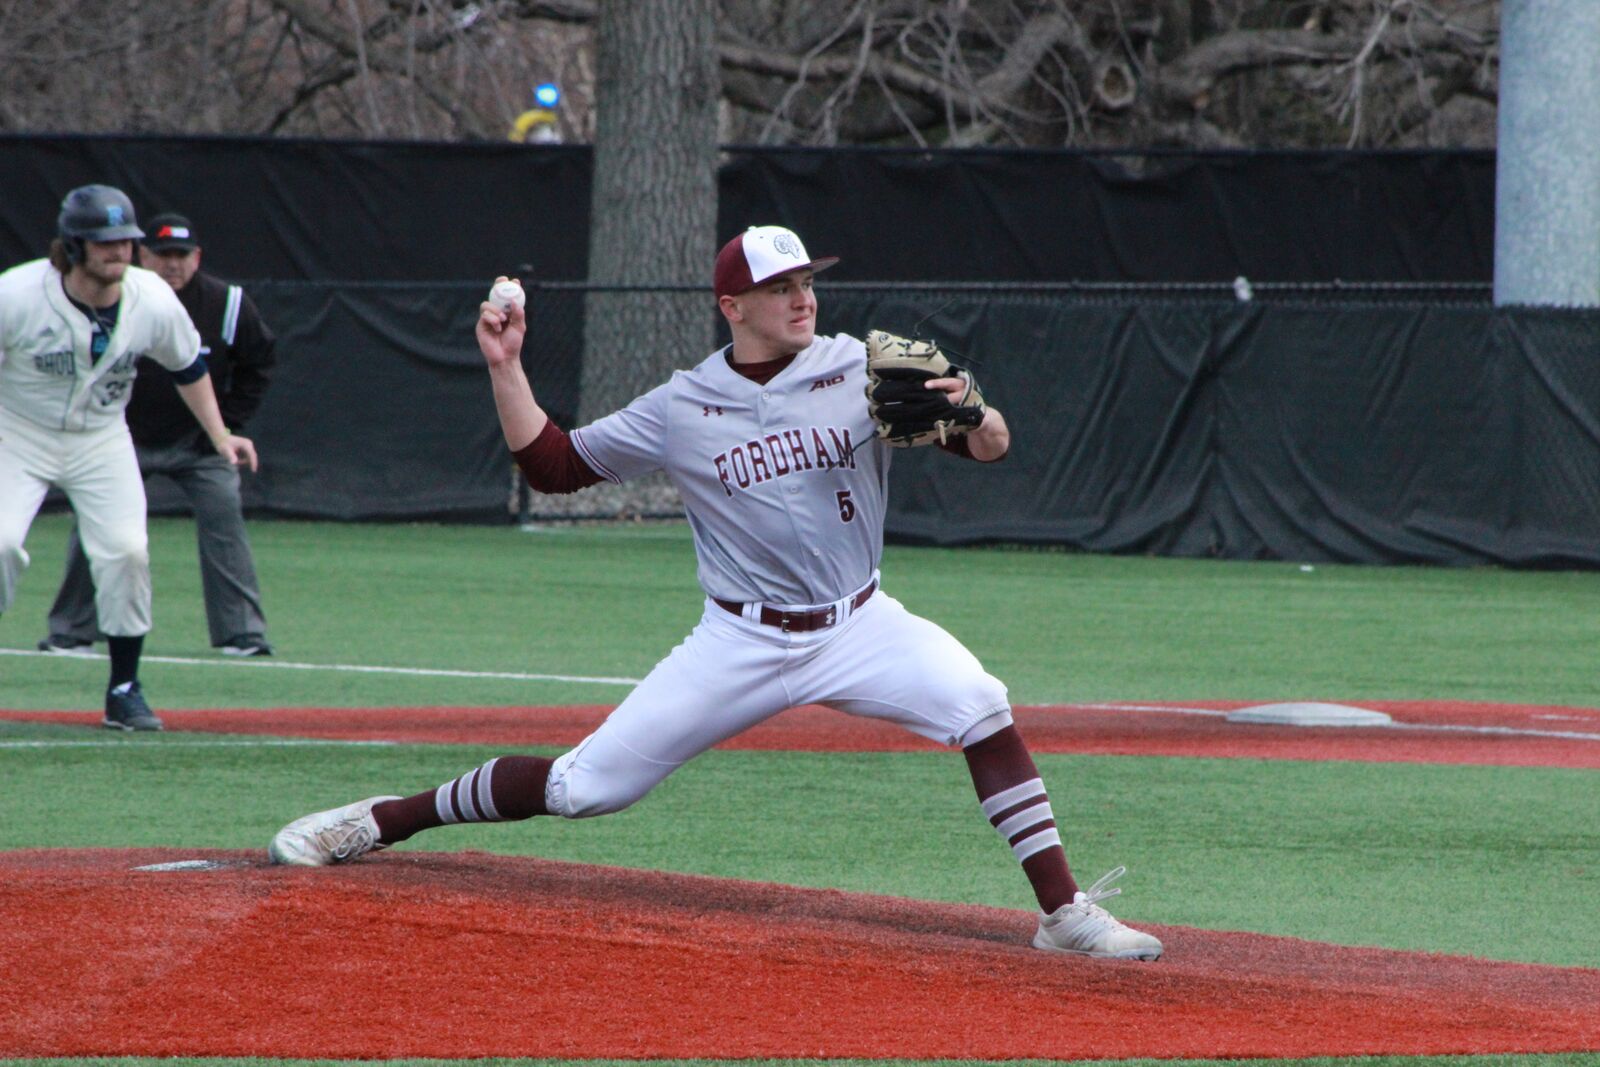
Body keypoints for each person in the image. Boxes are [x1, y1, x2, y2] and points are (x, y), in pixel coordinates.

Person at [268, 225, 1162, 960]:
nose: (803, 297)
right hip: (739, 639)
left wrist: (970, 403)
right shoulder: (683, 404)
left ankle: (1063, 914)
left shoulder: (861, 366)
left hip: (860, 621)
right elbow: (553, 464)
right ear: (732, 306)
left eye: (808, 279)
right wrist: (507, 366)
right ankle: (379, 819)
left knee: (979, 701)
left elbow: (993, 447)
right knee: (586, 788)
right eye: (782, 287)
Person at [0, 184, 258, 730]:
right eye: (104, 241)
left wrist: (220, 435)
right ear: (73, 246)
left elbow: (188, 367)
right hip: (17, 433)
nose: (118, 250)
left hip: (100, 437)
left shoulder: (150, 298)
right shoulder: (17, 295)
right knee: (1, 543)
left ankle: (123, 688)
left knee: (126, 552)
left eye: (125, 240)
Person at [37, 212, 276, 657]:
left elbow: (259, 362)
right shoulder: (109, 297)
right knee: (99, 527)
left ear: (197, 257)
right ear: (142, 255)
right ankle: (70, 631)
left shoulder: (227, 304)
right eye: (163, 255)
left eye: (182, 255)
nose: (173, 265)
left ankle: (243, 634)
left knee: (225, 521)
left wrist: (226, 427)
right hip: (121, 439)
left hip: (200, 445)